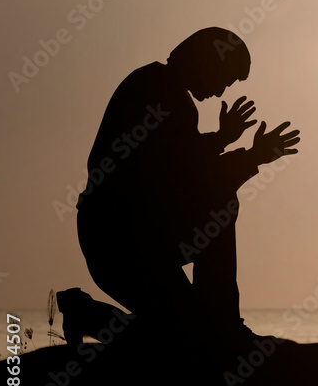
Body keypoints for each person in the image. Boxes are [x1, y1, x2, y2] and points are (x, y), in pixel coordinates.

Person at [73, 27, 299, 342]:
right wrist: (251, 156)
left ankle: (86, 315)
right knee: (220, 204)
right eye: (224, 79)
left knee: (185, 331)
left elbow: (181, 163)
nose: (221, 92)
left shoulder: (162, 90)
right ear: (207, 63)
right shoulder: (158, 92)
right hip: (120, 240)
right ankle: (223, 322)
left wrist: (227, 142)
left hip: (127, 238)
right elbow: (187, 177)